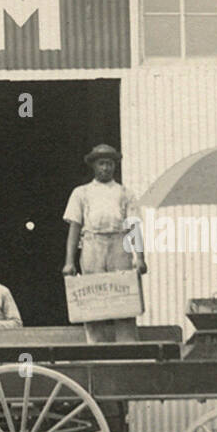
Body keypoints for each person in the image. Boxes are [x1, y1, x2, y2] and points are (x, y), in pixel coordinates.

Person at [62, 143, 147, 342]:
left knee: (125, 297)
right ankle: (95, 346)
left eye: (109, 164)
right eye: (101, 164)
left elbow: (134, 225)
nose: (105, 168)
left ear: (114, 166)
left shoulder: (125, 193)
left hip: (119, 243)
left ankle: (127, 345)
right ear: (93, 166)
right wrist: (69, 262)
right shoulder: (81, 193)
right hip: (92, 244)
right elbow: (74, 227)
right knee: (92, 299)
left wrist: (140, 257)